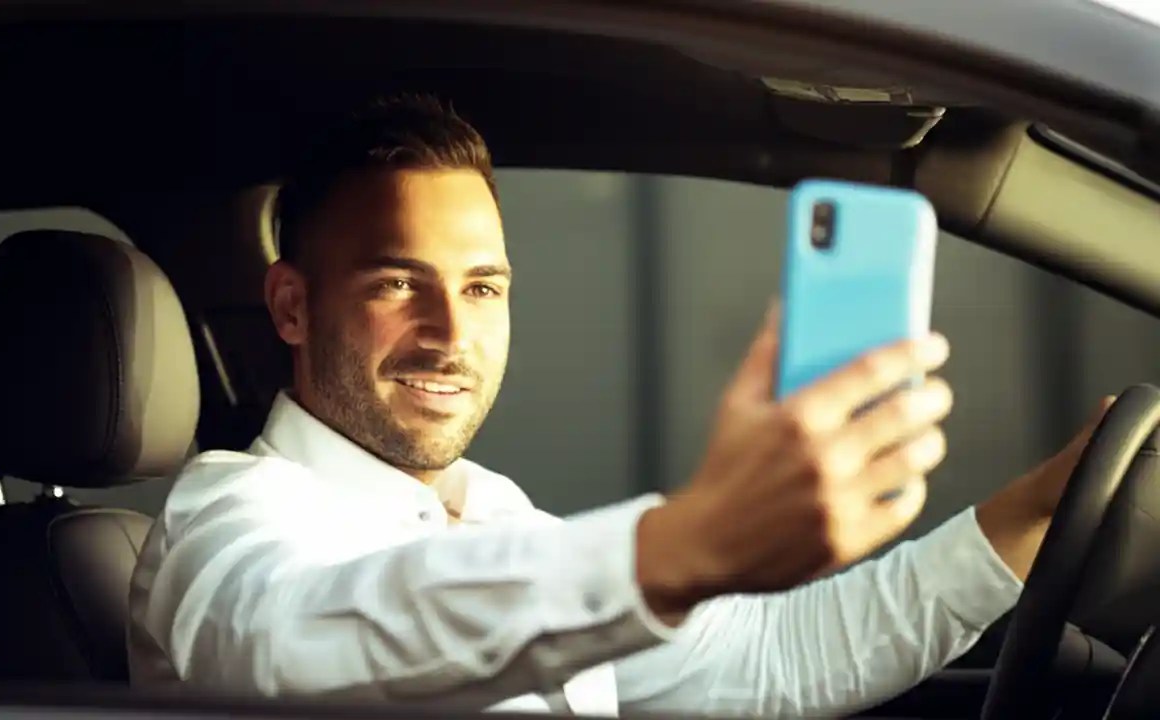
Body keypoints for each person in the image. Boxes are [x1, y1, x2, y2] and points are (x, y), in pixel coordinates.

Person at [127, 94, 1109, 717]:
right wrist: (672, 549)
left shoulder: (500, 514)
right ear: (293, 307)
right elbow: (278, 651)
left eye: (481, 288)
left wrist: (1031, 510)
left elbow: (773, 662)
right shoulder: (226, 516)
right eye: (396, 283)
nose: (446, 332)